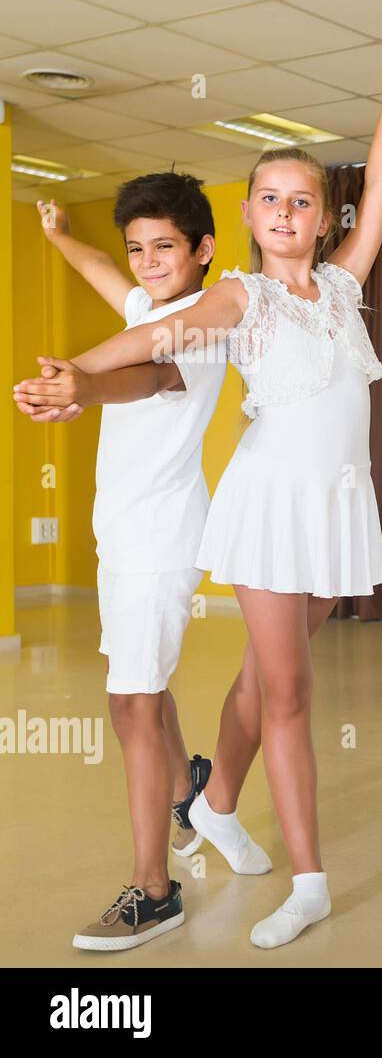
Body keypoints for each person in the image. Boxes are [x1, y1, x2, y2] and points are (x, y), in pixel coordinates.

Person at [21, 2, 382, 948]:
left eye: (303, 201)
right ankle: (312, 879)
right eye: (271, 199)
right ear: (246, 215)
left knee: (261, 677)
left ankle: (213, 802)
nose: (287, 213)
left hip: (337, 503)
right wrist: (81, 373)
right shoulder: (236, 296)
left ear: (322, 218)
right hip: (267, 505)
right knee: (287, 691)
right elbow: (158, 336)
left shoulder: (344, 282)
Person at [17, 178, 222, 951]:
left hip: (160, 543)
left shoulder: (201, 329)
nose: (146, 262)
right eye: (140, 247)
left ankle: (154, 889)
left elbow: (150, 378)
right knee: (146, 683)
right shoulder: (148, 306)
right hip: (125, 539)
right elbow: (103, 268)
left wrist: (86, 388)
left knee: (130, 703)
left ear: (203, 250)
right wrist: (60, 234)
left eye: (165, 246)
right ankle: (187, 785)